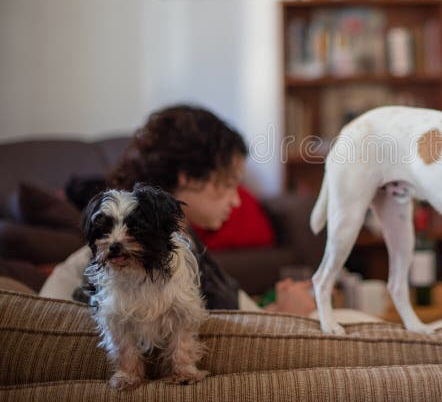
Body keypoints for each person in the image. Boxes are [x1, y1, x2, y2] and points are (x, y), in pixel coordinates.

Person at [40, 105, 315, 314]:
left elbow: (235, 320)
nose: (237, 200)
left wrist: (278, 312)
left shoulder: (190, 249)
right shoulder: (100, 263)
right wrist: (289, 316)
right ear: (188, 177)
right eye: (228, 184)